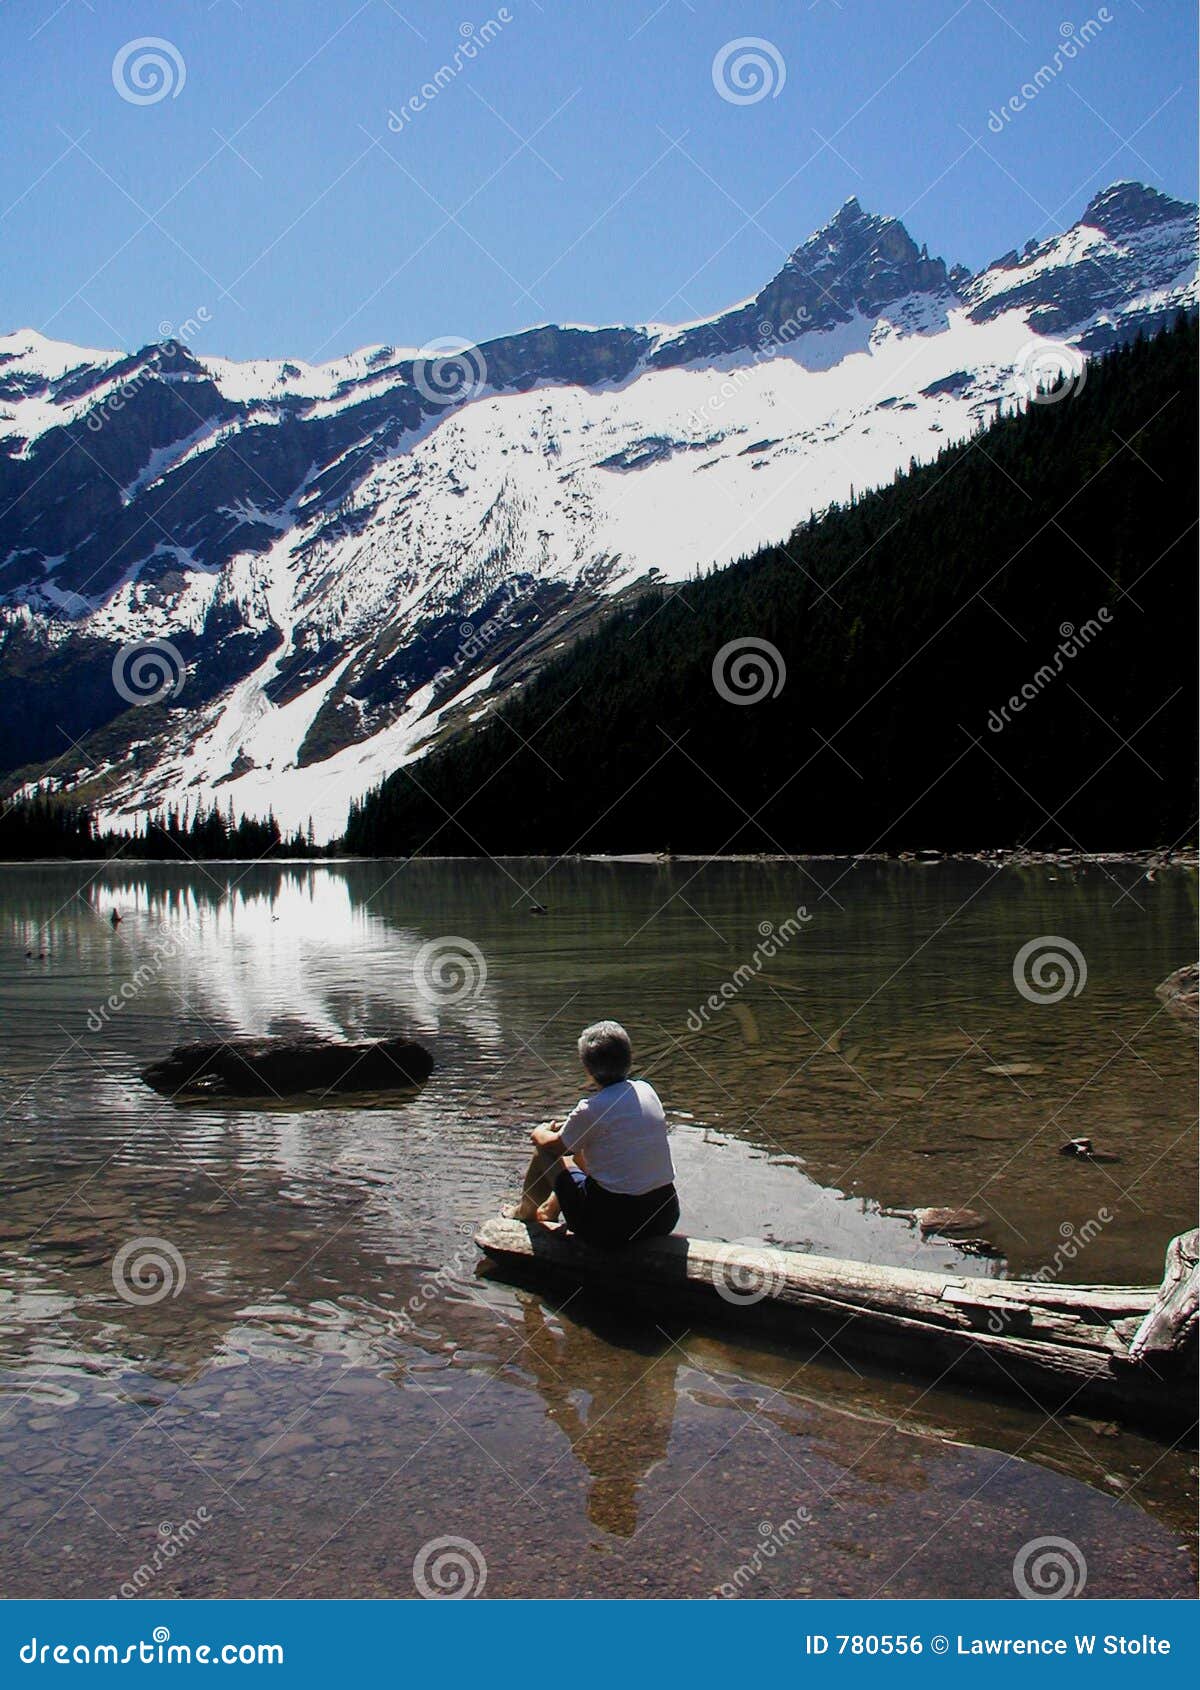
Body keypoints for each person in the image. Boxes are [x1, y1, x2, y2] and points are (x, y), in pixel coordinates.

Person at [513, 1020, 679, 1247]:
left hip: (608, 1228)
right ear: (628, 1059)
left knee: (545, 1152)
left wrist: (538, 1132)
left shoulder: (591, 1109)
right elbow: (617, 1124)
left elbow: (553, 1145)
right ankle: (549, 1211)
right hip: (664, 1216)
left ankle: (524, 1213)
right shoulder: (646, 1090)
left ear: (588, 1069)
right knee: (587, 1150)